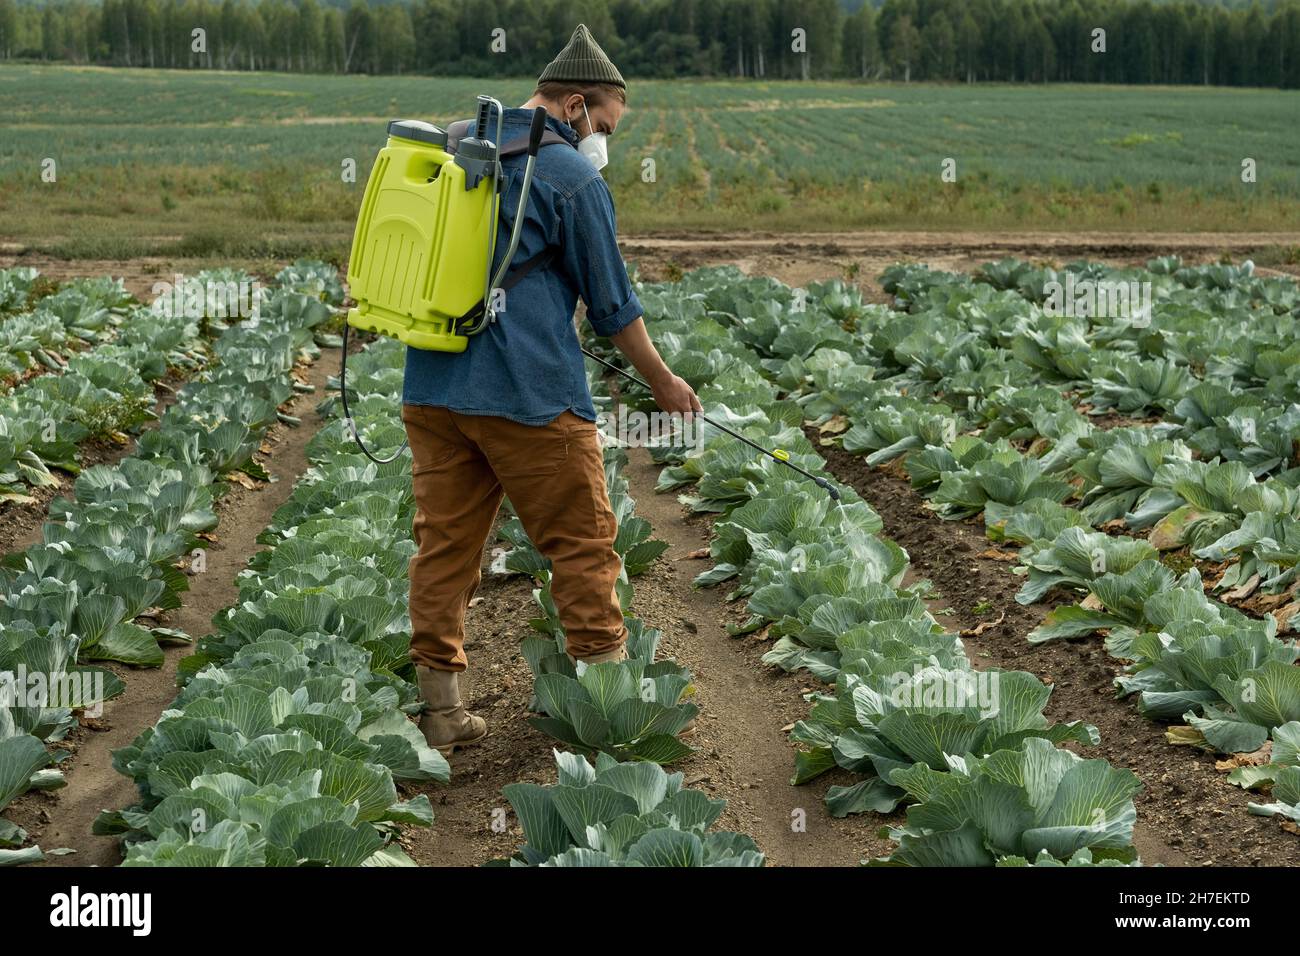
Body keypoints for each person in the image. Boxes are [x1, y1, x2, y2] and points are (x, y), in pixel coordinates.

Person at [402, 24, 701, 754]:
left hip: (434, 388)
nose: (603, 138)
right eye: (603, 124)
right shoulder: (571, 178)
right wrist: (664, 383)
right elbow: (612, 306)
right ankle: (609, 713)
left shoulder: (453, 146)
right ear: (573, 104)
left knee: (444, 548)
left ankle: (442, 716)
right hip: (529, 395)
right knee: (582, 544)